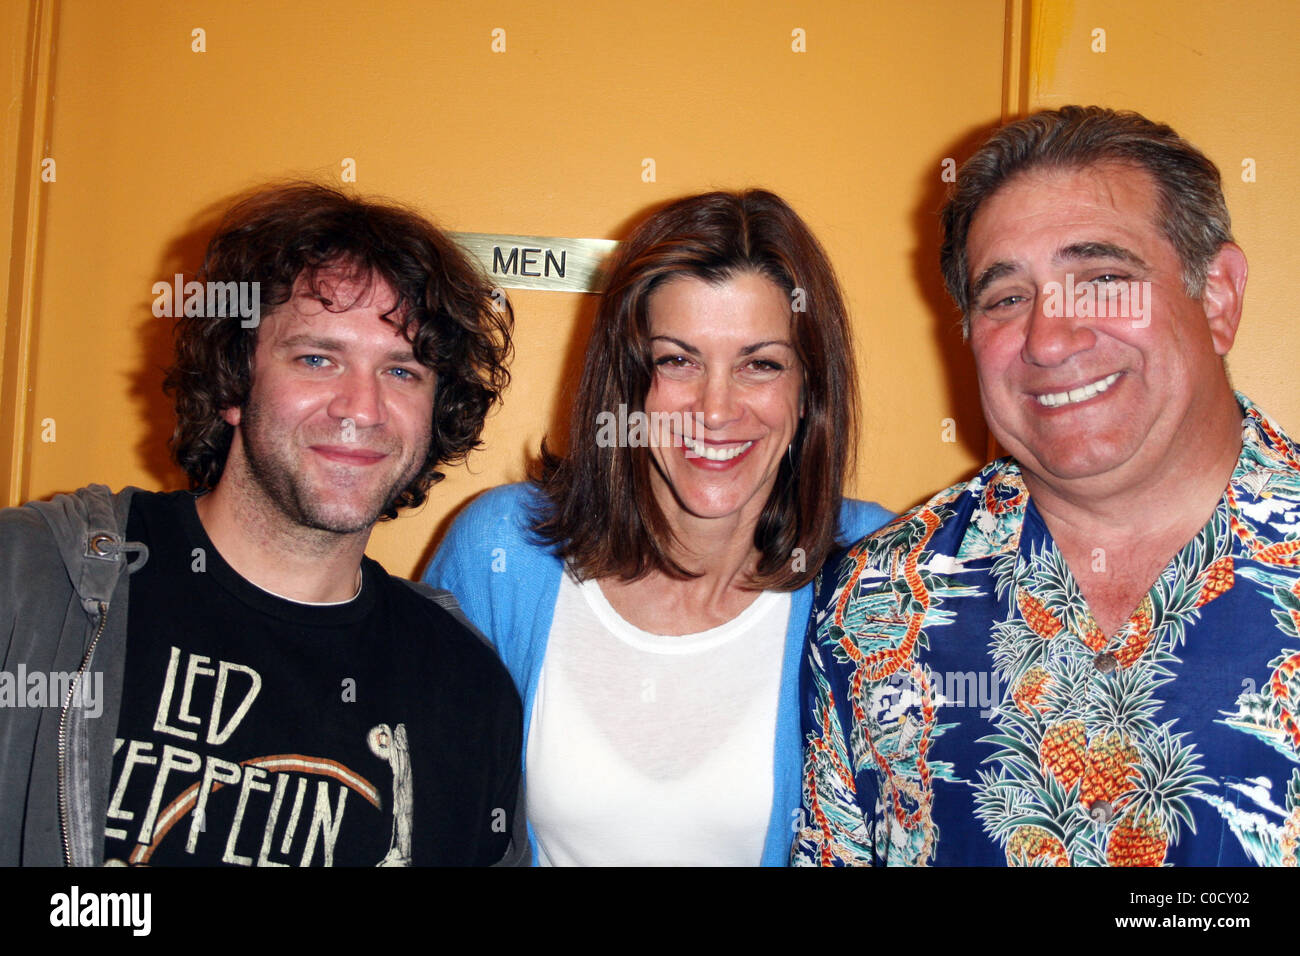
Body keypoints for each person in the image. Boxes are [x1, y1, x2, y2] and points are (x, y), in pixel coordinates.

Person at [794, 106, 1300, 867]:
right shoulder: (876, 605)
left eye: (1100, 278)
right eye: (1005, 298)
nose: (1048, 337)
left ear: (1218, 298)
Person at [0, 182, 526, 866]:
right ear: (231, 382)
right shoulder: (38, 583)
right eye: (317, 358)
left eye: (402, 371)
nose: (361, 408)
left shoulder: (466, 688)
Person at [425, 189, 891, 865]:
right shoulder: (502, 550)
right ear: (627, 382)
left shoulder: (878, 570)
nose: (716, 407)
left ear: (808, 392)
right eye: (678, 360)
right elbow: (422, 813)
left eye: (761, 364)